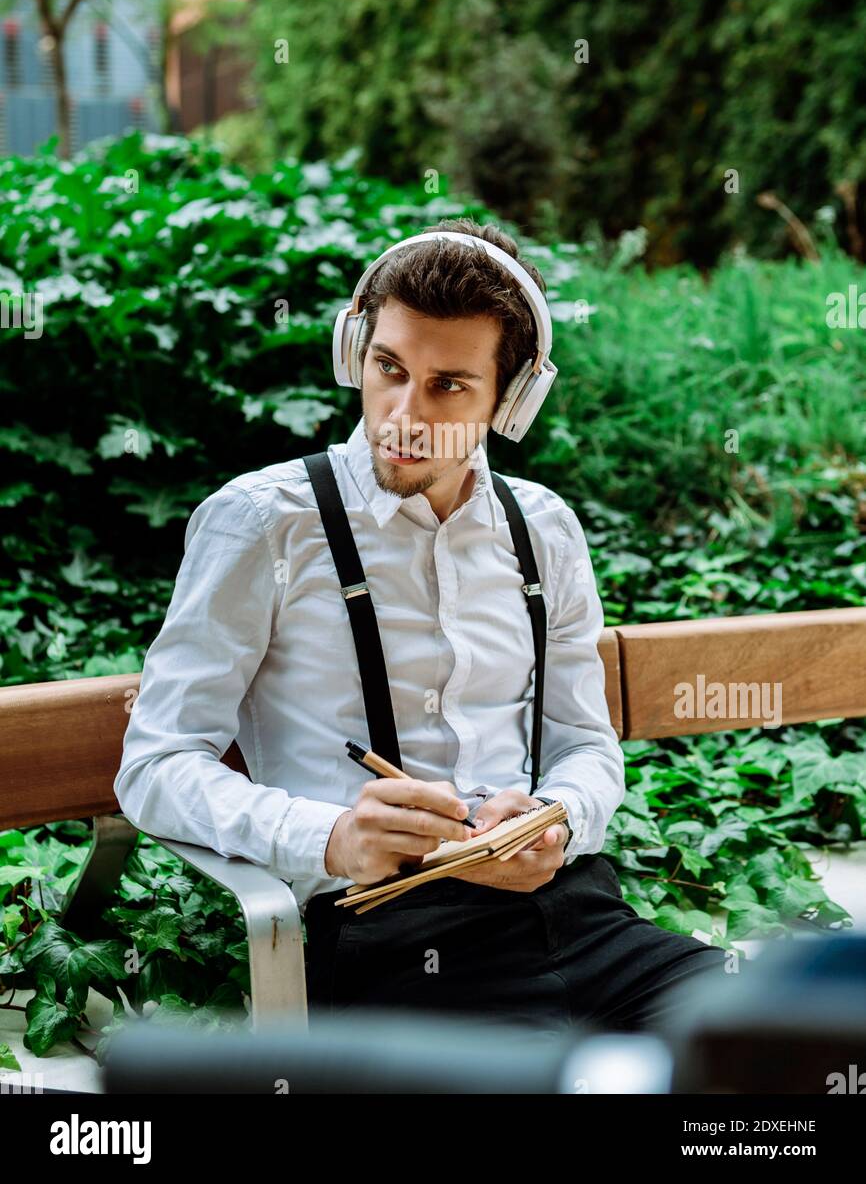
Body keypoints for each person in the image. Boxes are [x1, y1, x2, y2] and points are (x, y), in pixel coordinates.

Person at [114, 218, 730, 1044]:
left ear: (510, 400)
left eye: (449, 386)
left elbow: (585, 742)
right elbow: (155, 767)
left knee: (798, 1043)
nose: (405, 414)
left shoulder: (544, 529)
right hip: (395, 944)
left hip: (584, 920)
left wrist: (557, 816)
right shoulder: (264, 523)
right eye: (389, 368)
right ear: (355, 355)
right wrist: (332, 837)